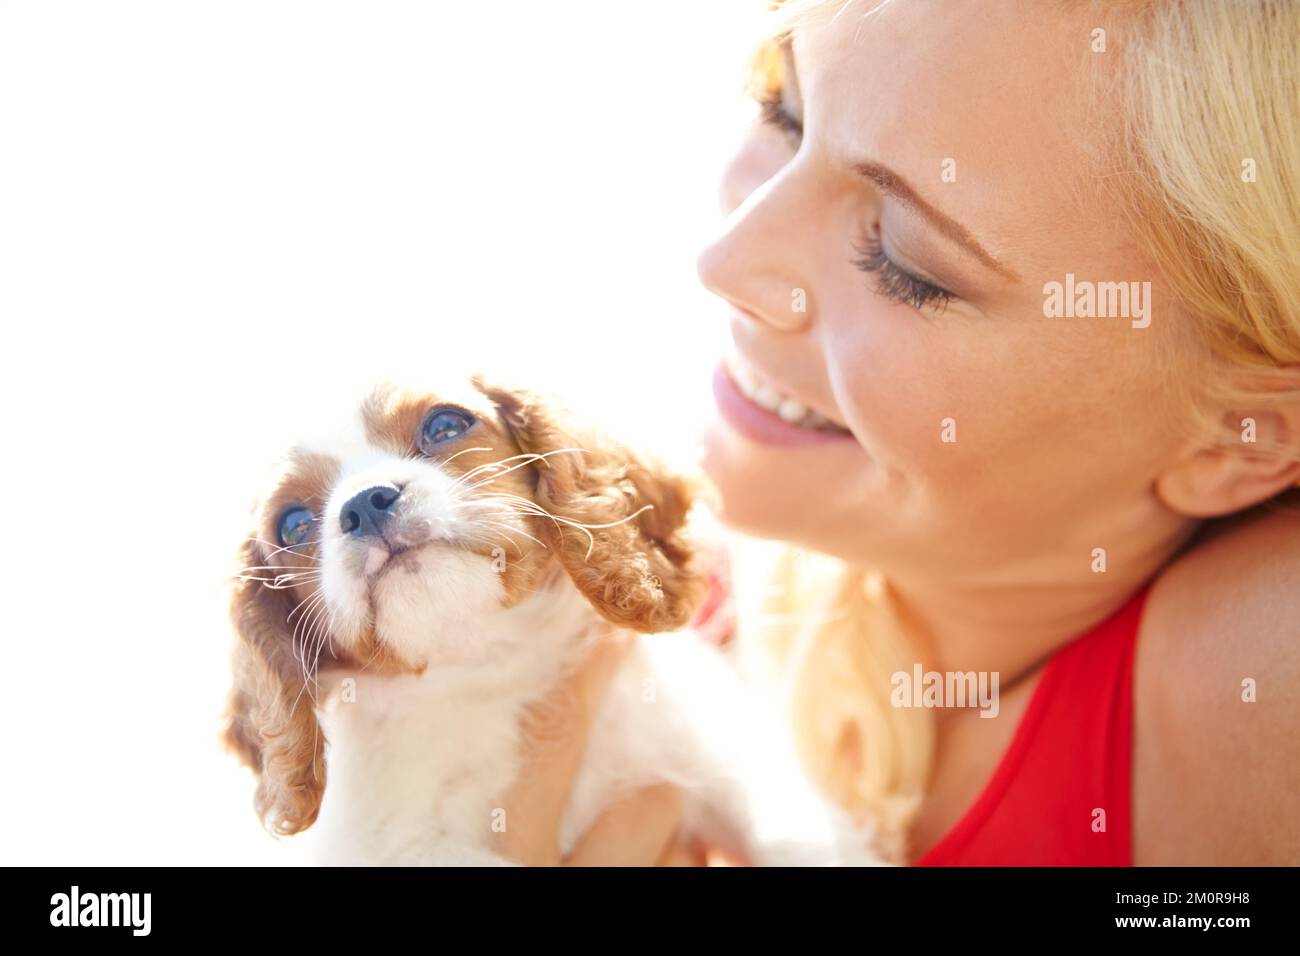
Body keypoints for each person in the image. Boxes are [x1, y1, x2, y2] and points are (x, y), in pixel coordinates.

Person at [491, 0, 1300, 865]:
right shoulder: (635, 589)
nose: (724, 262)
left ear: (1240, 437)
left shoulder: (1254, 672)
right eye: (784, 112)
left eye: (906, 263)